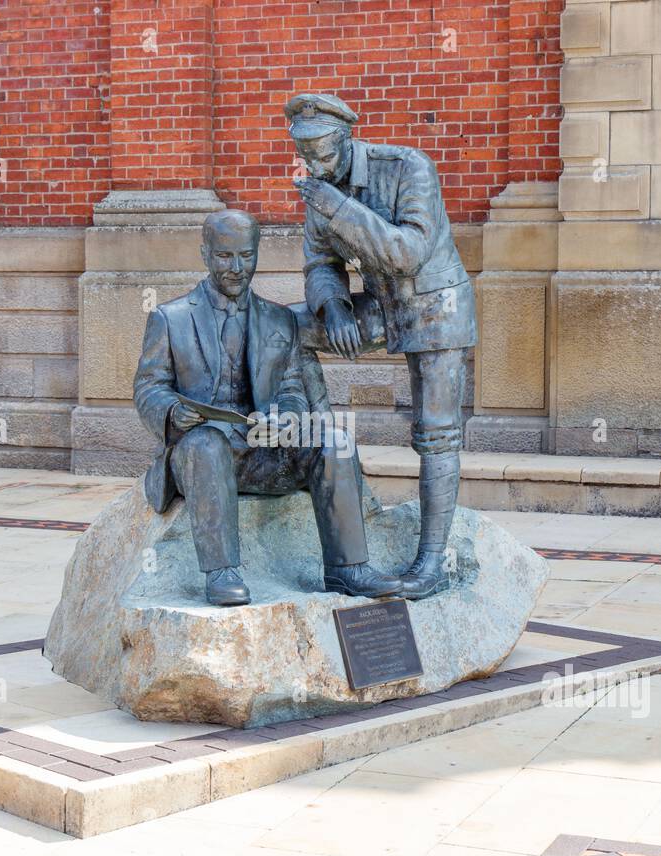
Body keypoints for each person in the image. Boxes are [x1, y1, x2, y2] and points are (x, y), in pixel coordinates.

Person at [133, 209, 403, 607]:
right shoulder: (170, 318)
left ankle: (347, 568)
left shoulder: (278, 319)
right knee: (207, 443)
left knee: (334, 441)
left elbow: (293, 388)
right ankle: (223, 571)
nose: (237, 267)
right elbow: (148, 387)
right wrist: (173, 412)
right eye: (225, 256)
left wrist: (287, 415)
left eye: (246, 255)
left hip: (263, 448)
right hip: (199, 450)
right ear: (205, 254)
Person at [287, 92, 478, 599]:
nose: (314, 165)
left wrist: (340, 207)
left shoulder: (409, 167)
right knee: (291, 330)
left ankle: (431, 562)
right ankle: (324, 449)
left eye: (323, 154)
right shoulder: (320, 187)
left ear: (347, 139)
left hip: (437, 306)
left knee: (435, 435)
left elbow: (409, 252)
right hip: (379, 304)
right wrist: (332, 306)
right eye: (305, 156)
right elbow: (319, 264)